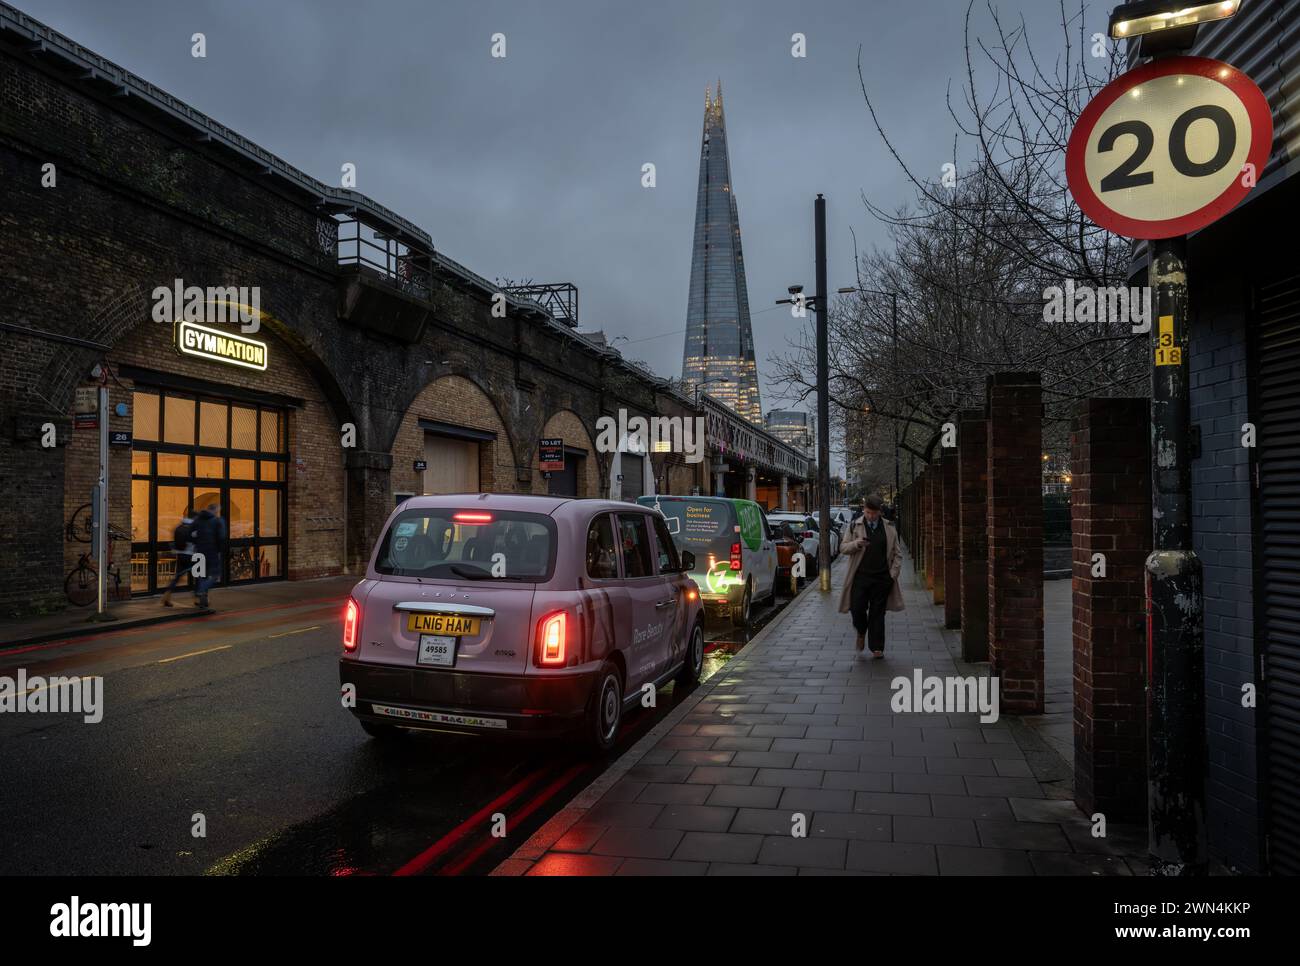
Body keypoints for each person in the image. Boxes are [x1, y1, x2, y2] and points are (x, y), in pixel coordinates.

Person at [837, 494, 905, 658]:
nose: (870, 516)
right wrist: (857, 544)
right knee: (857, 608)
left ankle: (877, 648)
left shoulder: (889, 528)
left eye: (873, 513)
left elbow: (897, 554)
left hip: (882, 578)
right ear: (864, 510)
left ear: (880, 512)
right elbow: (843, 548)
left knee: (877, 613)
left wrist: (892, 575)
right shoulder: (855, 525)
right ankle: (861, 631)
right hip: (860, 577)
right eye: (867, 512)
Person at [190, 502, 227, 608]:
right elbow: (221, 537)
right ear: (215, 510)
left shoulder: (198, 519)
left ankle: (203, 600)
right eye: (217, 510)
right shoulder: (217, 520)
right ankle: (201, 591)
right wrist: (219, 550)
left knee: (202, 575)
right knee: (215, 575)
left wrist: (196, 542)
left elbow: (189, 532)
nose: (217, 512)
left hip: (200, 551)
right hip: (212, 551)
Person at [160, 509, 195, 607]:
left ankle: (166, 597)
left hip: (180, 554)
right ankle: (199, 598)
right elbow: (194, 541)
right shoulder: (192, 528)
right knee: (199, 576)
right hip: (190, 555)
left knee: (177, 577)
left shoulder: (179, 527)